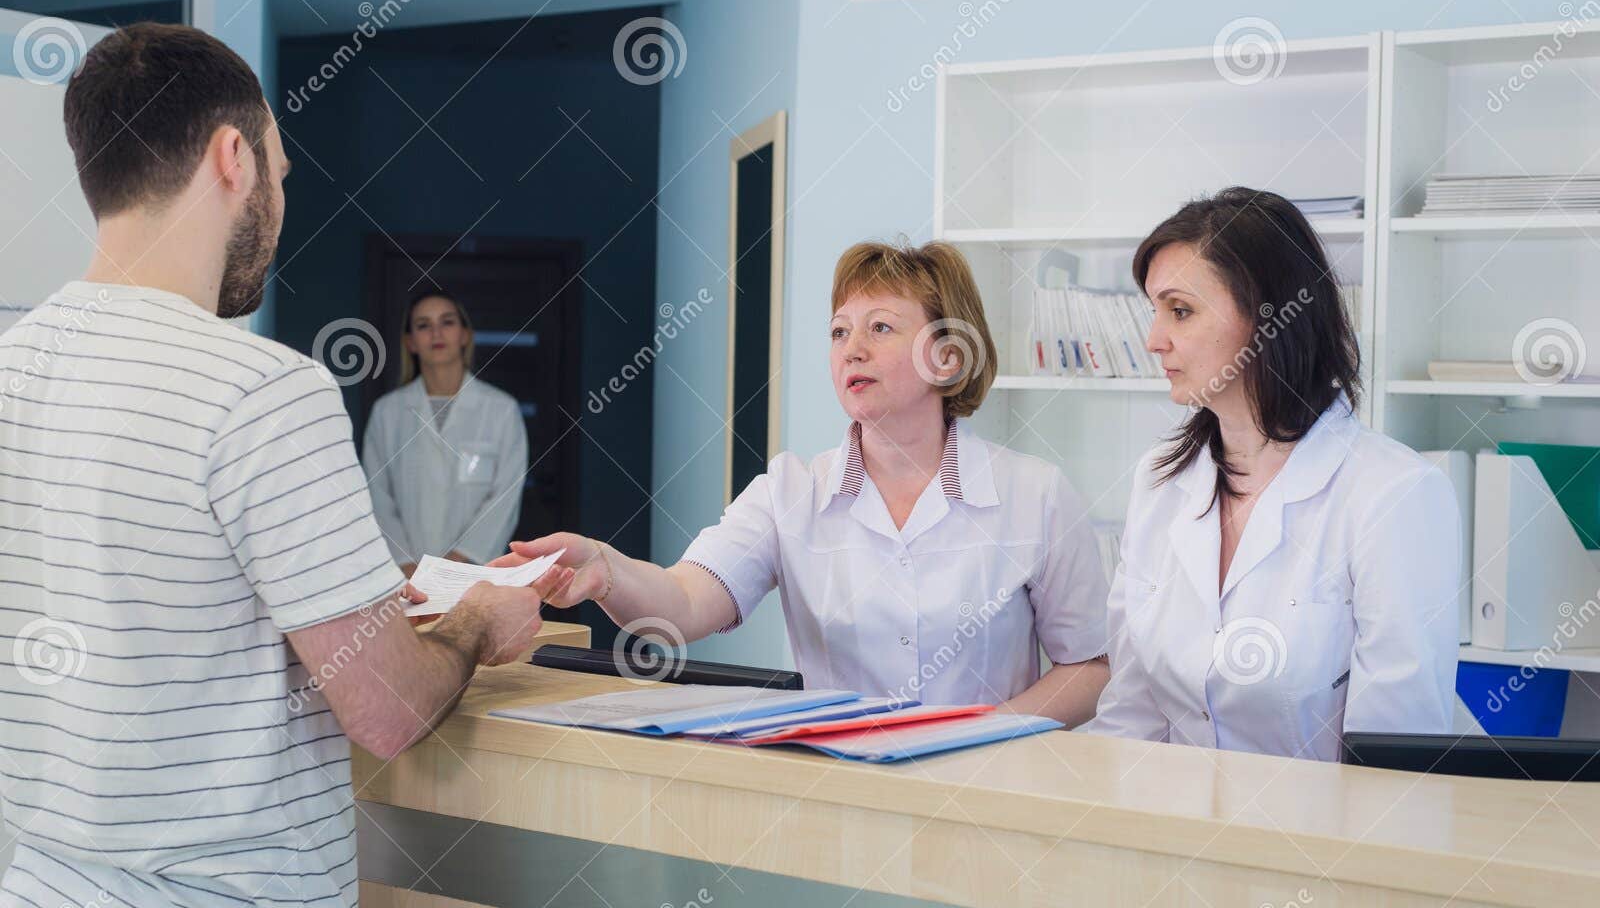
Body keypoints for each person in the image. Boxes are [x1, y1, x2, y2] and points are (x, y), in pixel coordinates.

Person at [0, 23, 546, 908]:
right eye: (283, 174)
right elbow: (384, 711)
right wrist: (479, 622)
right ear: (233, 156)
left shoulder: (12, 372)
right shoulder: (259, 389)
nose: (283, 206)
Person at [497, 241, 1111, 720]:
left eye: (881, 328)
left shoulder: (1036, 495)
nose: (851, 349)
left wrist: (988, 738)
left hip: (989, 800)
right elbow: (683, 603)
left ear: (949, 356)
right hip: (841, 797)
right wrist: (607, 569)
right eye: (840, 331)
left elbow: (1090, 666)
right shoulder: (790, 491)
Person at [1080, 187, 1460, 760]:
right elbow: (1130, 716)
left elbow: (1393, 766)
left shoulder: (1394, 495)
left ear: (1269, 317)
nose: (1154, 341)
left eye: (1179, 311)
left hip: (1320, 843)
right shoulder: (1159, 480)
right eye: (1154, 312)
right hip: (1171, 832)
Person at [362, 290, 528, 576]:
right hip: (404, 574)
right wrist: (407, 565)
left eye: (447, 322)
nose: (436, 333)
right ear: (410, 342)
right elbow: (376, 494)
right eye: (424, 325)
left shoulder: (501, 410)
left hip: (475, 572)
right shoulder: (387, 412)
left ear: (464, 334)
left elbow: (505, 494)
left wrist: (457, 563)